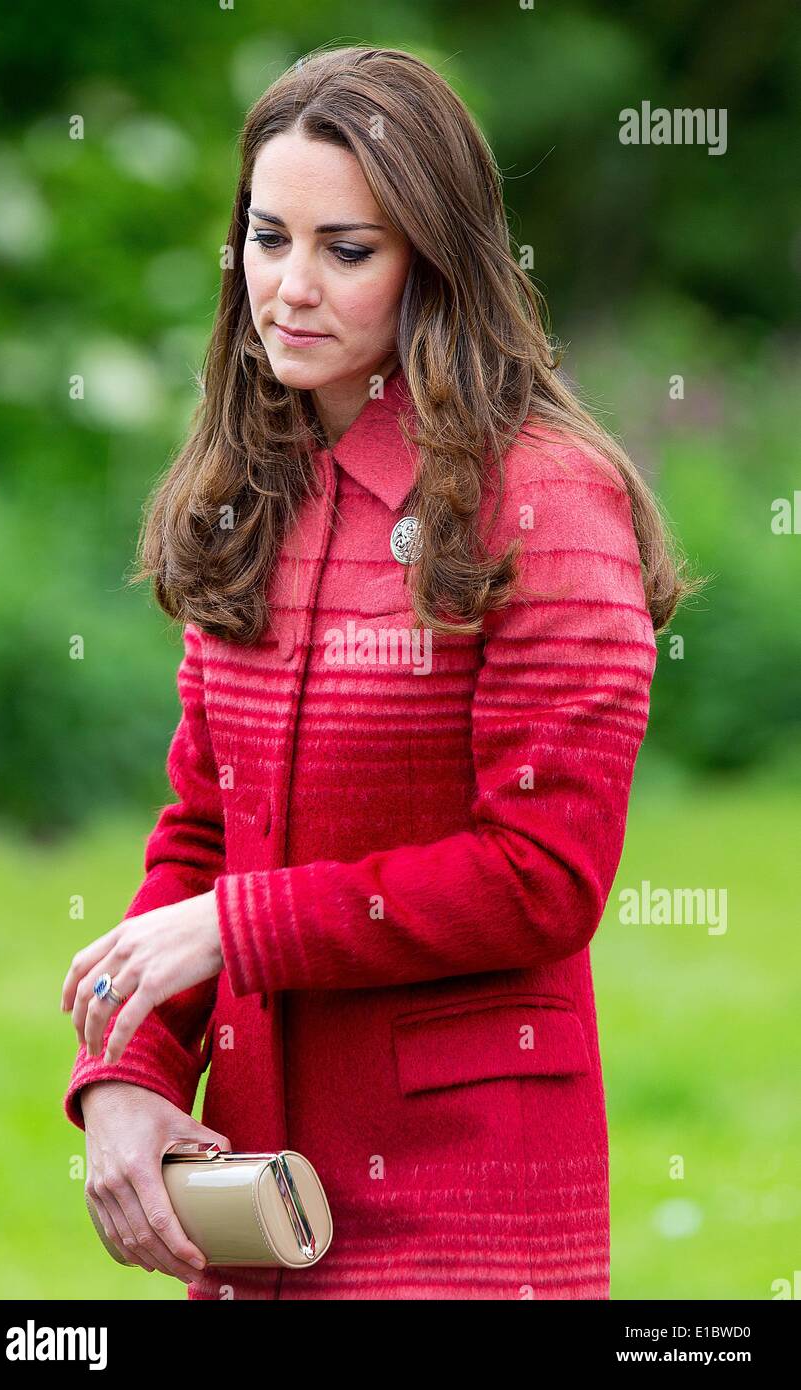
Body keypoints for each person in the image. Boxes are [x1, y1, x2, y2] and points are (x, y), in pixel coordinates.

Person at [60, 43, 696, 1300]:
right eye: (265, 237)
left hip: (469, 1208)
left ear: (437, 262)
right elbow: (204, 831)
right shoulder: (255, 487)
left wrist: (239, 925)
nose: (287, 288)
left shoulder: (548, 501)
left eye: (345, 250)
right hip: (257, 1198)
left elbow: (541, 879)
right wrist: (129, 1078)